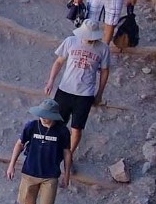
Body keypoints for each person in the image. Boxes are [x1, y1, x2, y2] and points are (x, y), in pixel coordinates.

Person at [5, 100, 69, 204]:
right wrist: (11, 164)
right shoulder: (31, 127)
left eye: (47, 116)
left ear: (54, 116)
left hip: (50, 175)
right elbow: (19, 144)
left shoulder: (62, 131)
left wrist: (67, 173)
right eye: (42, 115)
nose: (44, 118)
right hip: (30, 173)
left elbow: (67, 152)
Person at [43, 21, 111, 161]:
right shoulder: (71, 41)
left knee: (77, 128)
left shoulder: (103, 49)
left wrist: (99, 93)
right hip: (65, 89)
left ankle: (68, 156)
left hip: (85, 94)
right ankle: (52, 151)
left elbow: (105, 71)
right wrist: (51, 81)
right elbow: (59, 62)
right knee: (55, 122)